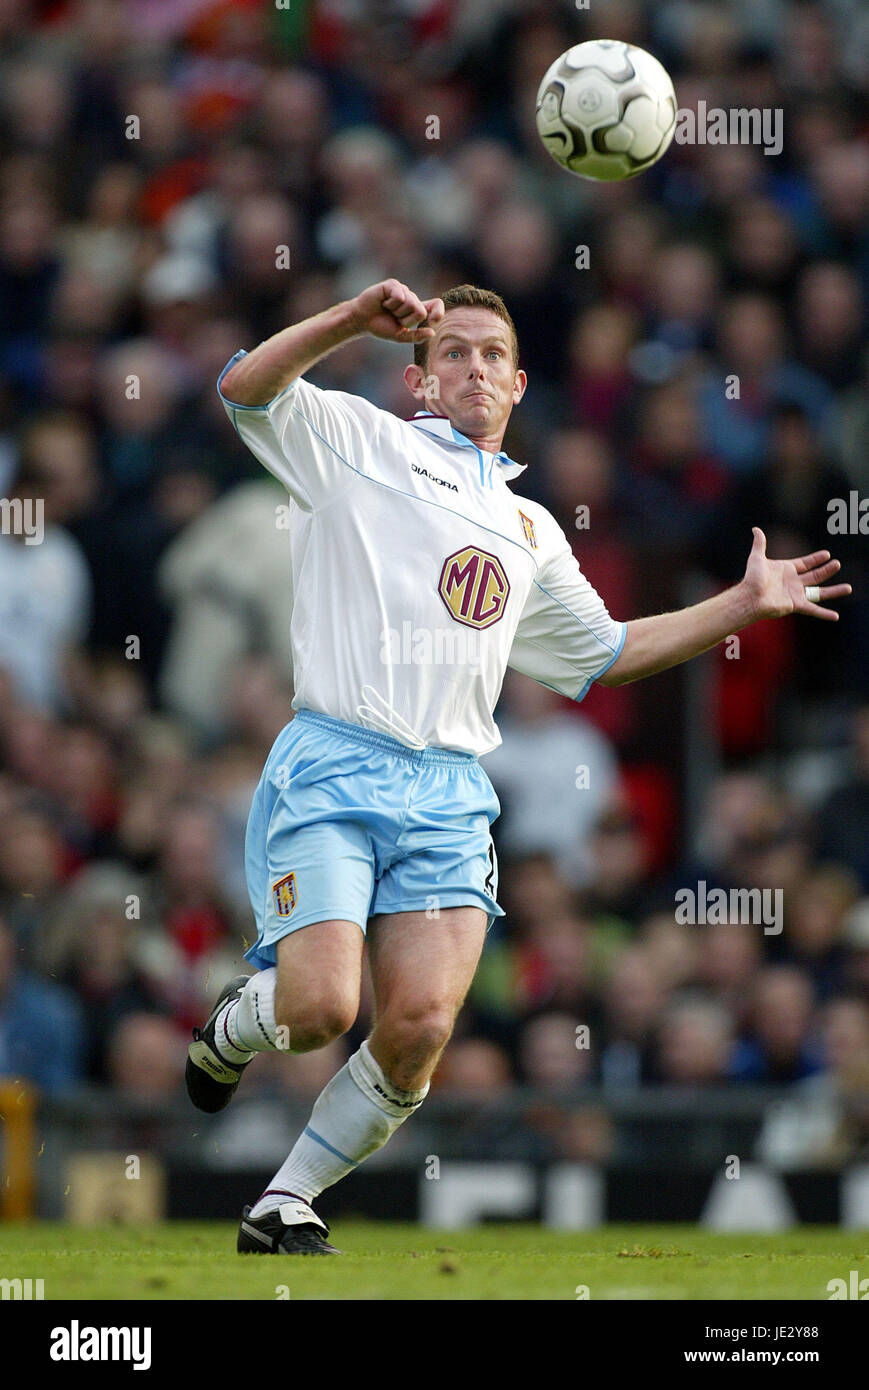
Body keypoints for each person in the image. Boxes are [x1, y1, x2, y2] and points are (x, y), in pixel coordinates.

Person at [185, 278, 851, 1255]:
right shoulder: (361, 444)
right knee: (321, 1007)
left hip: (450, 790)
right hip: (335, 763)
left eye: (491, 354)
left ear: (518, 382)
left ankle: (285, 1200)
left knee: (414, 1031)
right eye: (451, 351)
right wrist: (342, 323)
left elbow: (605, 652)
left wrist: (741, 604)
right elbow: (243, 389)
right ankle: (232, 1030)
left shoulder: (530, 528)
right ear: (418, 378)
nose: (472, 368)